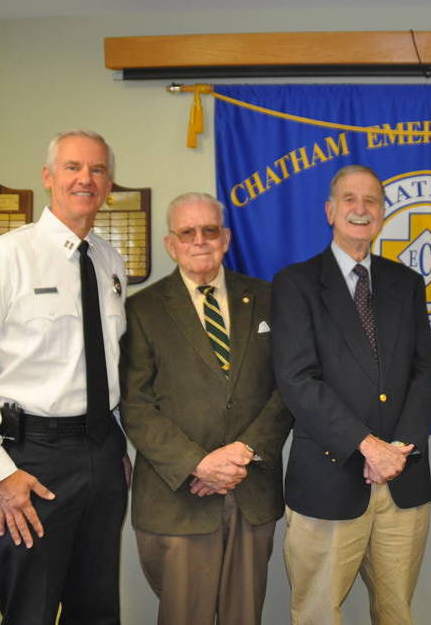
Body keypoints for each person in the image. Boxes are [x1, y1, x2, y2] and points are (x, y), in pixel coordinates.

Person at [0, 129, 129, 624]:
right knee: (31, 610)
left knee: (98, 608)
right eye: (72, 167)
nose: (85, 179)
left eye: (97, 169)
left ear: (109, 183)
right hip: (32, 460)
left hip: (102, 451)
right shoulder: (3, 257)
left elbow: (108, 365)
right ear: (48, 177)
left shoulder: (110, 261)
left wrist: (117, 447)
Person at [270, 164, 431, 625]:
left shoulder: (406, 284)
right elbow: (297, 380)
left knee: (397, 612)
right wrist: (367, 447)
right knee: (318, 614)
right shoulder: (295, 284)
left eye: (371, 201)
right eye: (349, 199)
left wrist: (395, 454)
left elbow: (424, 372)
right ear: (330, 210)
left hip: (400, 482)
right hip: (329, 478)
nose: (360, 209)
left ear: (383, 214)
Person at [120, 192, 292, 625]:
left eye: (209, 230)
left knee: (243, 616)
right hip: (178, 495)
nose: (200, 240)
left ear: (226, 238)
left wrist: (241, 454)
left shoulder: (270, 299)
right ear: (170, 243)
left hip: (250, 487)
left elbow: (288, 387)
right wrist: (199, 464)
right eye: (187, 232)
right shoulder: (143, 310)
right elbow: (136, 405)